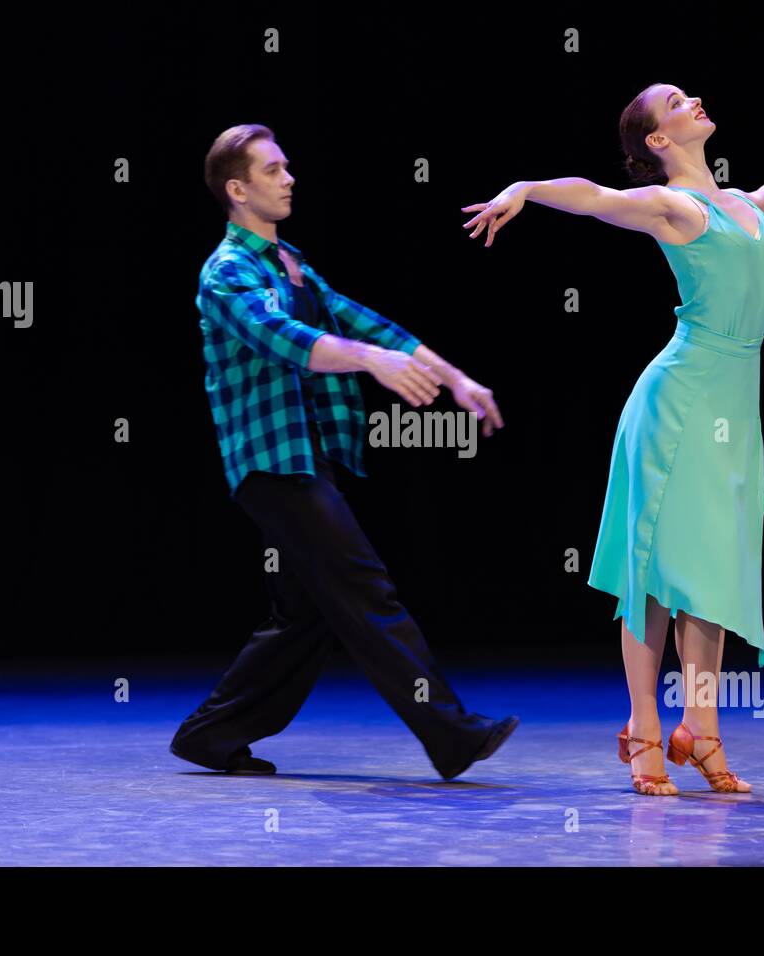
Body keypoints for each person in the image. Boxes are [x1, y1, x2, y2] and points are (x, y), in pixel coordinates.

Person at [460, 83, 764, 795]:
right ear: (657, 141)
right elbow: (596, 196)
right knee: (655, 575)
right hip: (680, 402)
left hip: (732, 403)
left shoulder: (746, 202)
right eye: (674, 101)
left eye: (690, 92)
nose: (693, 98)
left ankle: (703, 729)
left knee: (712, 572)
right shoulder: (673, 207)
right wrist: (526, 189)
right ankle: (644, 731)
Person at [170, 124, 518, 780]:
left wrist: (456, 378)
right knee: (364, 588)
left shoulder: (288, 261)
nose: (289, 178)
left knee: (303, 616)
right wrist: (373, 364)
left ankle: (210, 735)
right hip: (271, 463)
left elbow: (363, 321)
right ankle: (449, 732)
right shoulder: (226, 272)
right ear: (238, 189)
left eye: (288, 166)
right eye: (273, 170)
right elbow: (287, 339)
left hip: (305, 455)